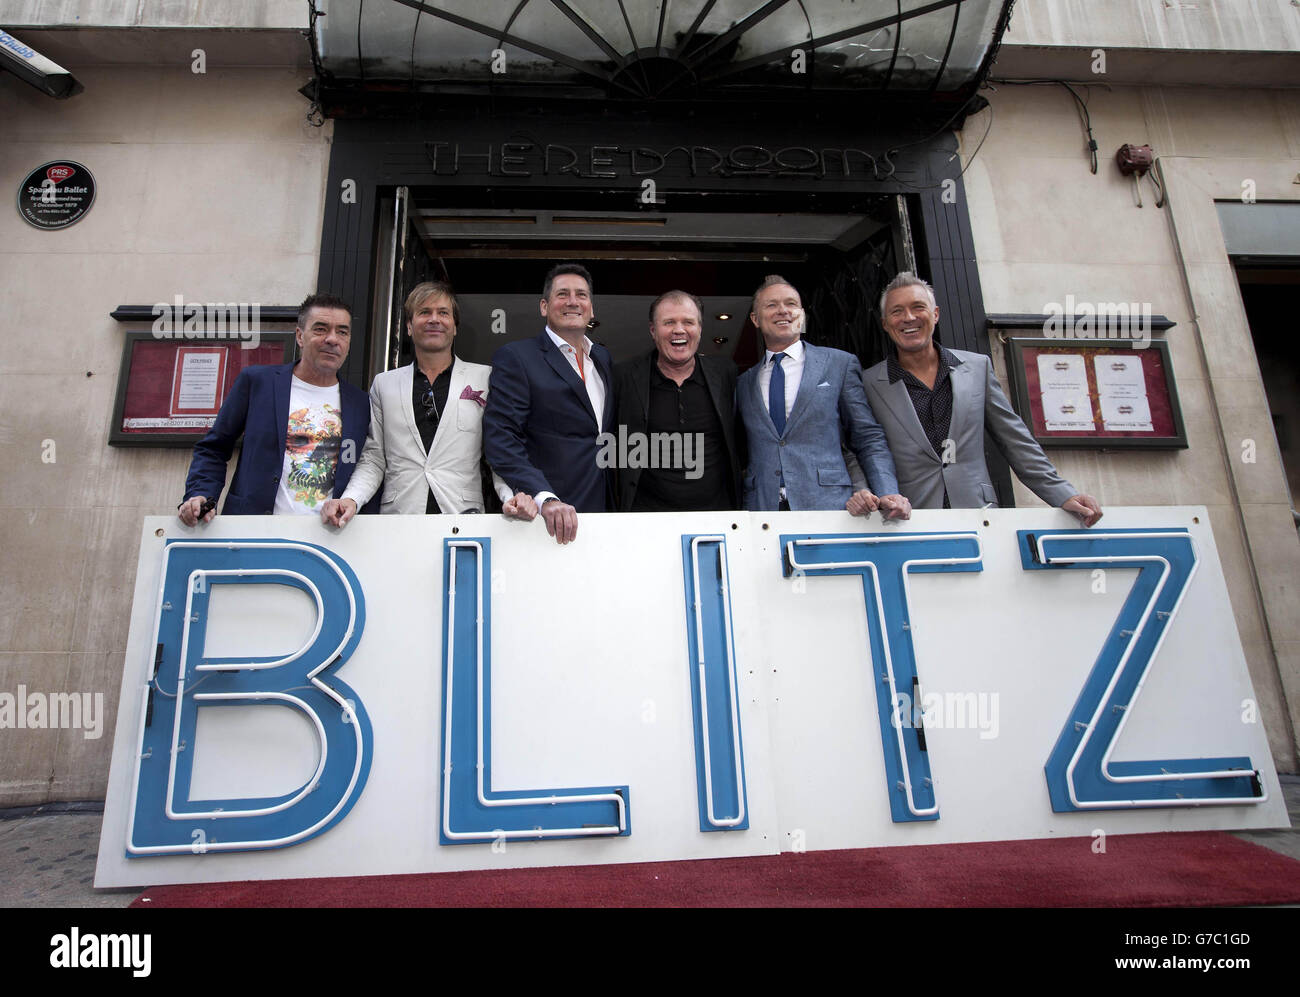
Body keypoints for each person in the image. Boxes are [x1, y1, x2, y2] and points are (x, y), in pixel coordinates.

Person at [863, 271, 1103, 525]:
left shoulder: (977, 368)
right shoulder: (869, 383)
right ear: (885, 323)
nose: (908, 317)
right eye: (897, 311)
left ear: (935, 314)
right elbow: (865, 448)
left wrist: (1062, 494)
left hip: (979, 514)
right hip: (906, 518)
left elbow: (1015, 439)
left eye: (918, 307)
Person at [319, 281, 535, 526]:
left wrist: (512, 495)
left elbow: (498, 452)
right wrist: (351, 499)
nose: (434, 319)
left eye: (443, 313)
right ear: (409, 327)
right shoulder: (384, 384)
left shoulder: (485, 378)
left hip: (463, 516)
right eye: (424, 312)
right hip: (400, 519)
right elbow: (374, 458)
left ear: (454, 327)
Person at [178, 293, 373, 525]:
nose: (332, 339)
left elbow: (369, 465)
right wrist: (200, 494)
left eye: (342, 331)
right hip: (255, 531)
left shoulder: (361, 403)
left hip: (330, 537)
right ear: (300, 336)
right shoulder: (257, 382)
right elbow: (214, 448)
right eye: (320, 329)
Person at [737, 275, 910, 518]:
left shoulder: (838, 364)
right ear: (755, 319)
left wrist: (886, 492)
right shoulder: (743, 383)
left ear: (802, 314)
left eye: (791, 304)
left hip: (830, 506)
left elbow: (867, 436)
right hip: (762, 511)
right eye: (771, 305)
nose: (783, 311)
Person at [483, 263, 615, 544]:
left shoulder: (603, 359)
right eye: (562, 294)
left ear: (591, 308)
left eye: (581, 295)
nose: (572, 301)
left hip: (604, 517)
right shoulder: (517, 357)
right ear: (544, 306)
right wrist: (544, 497)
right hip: (546, 522)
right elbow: (501, 440)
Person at [613, 290, 741, 511]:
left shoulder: (725, 373)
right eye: (669, 322)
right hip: (647, 518)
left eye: (688, 322)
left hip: (716, 516)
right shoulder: (623, 376)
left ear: (700, 329)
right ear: (653, 331)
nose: (679, 330)